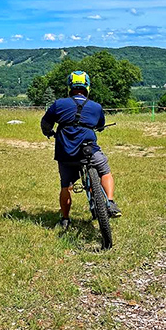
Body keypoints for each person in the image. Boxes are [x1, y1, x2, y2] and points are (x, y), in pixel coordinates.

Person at [40, 70, 121, 229]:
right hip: (89, 151)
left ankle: (65, 219)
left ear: (70, 86)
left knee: (65, 187)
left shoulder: (59, 104)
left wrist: (49, 132)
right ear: (87, 87)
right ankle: (110, 202)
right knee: (105, 171)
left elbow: (46, 123)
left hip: (66, 153)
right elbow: (100, 125)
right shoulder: (96, 107)